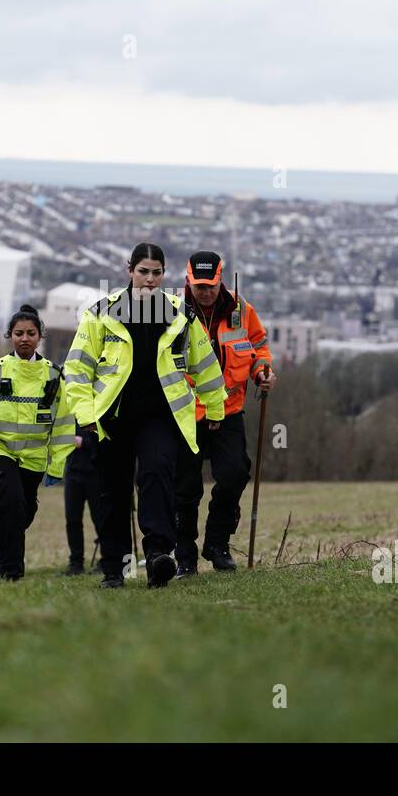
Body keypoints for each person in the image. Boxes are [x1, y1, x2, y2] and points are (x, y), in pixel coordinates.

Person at [63, 243, 227, 589]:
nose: (150, 280)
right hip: (112, 417)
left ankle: (157, 557)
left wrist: (215, 407)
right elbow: (77, 369)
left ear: (163, 275)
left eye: (156, 273)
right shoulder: (101, 313)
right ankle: (115, 569)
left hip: (162, 416)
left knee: (156, 478)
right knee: (113, 491)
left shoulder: (181, 314)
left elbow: (205, 365)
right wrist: (86, 413)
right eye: (143, 272)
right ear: (129, 271)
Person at [174, 251, 276, 574]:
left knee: (234, 475)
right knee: (185, 488)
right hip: (187, 413)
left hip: (229, 410)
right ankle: (184, 555)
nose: (204, 292)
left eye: (211, 285)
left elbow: (259, 345)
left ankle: (217, 543)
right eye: (198, 285)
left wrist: (262, 370)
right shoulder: (172, 312)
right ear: (188, 281)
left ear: (222, 280)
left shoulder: (241, 311)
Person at [0, 305, 76, 580]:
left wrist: (56, 465)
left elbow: (63, 425)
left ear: (40, 336)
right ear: (10, 335)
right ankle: (12, 572)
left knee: (22, 511)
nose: (24, 338)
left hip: (33, 457)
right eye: (19, 333)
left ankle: (2, 559)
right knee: (10, 502)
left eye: (30, 333)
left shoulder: (55, 377)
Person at [60, 436, 102, 576]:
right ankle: (76, 563)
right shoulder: (69, 415)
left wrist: (84, 442)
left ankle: (106, 559)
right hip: (72, 473)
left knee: (100, 518)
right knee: (72, 520)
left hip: (95, 473)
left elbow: (103, 441)